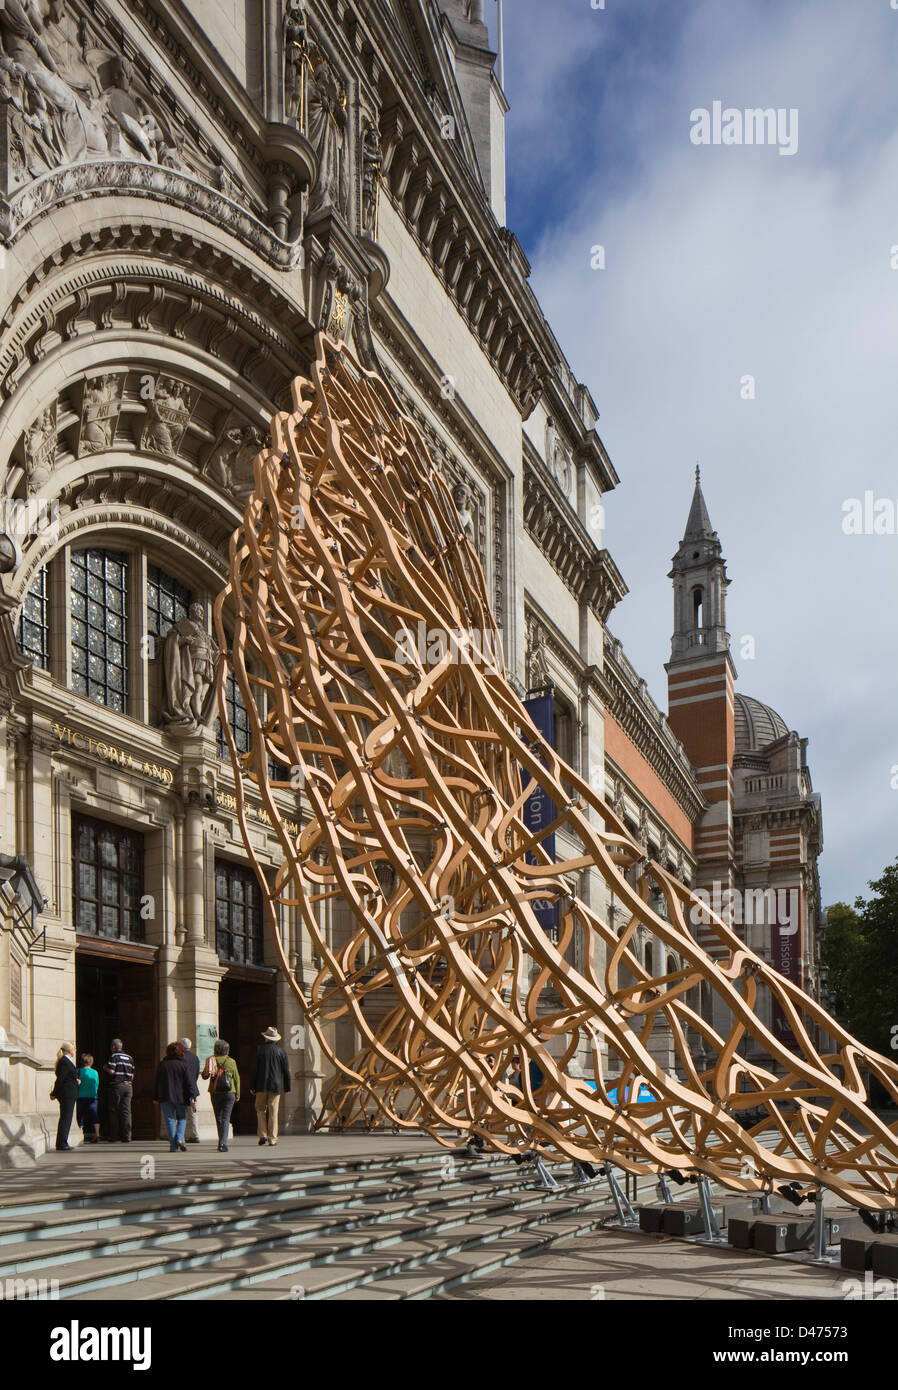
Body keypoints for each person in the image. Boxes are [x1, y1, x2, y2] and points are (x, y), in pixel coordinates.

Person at [153, 1041, 199, 1153]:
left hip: (165, 1096)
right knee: (182, 1118)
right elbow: (190, 1082)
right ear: (181, 1052)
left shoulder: (162, 1064)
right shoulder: (183, 1064)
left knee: (169, 1120)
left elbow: (157, 1082)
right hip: (180, 1097)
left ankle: (173, 1146)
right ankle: (179, 1138)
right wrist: (193, 1097)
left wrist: (155, 1097)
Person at [250, 1026, 292, 1147]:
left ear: (266, 1038)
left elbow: (254, 1069)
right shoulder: (281, 1052)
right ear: (276, 1039)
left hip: (260, 1086)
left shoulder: (259, 1050)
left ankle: (262, 1135)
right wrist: (287, 1087)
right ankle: (272, 1138)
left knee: (260, 1110)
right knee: (274, 1112)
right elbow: (286, 1071)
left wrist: (252, 1086)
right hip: (276, 1086)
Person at [201, 1039, 240, 1152]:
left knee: (218, 1118)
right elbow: (237, 1078)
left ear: (215, 1049)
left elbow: (204, 1076)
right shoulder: (231, 1061)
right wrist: (238, 1093)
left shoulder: (211, 1060)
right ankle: (222, 1143)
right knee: (226, 1118)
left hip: (215, 1092)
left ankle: (221, 1141)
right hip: (229, 1092)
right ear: (227, 1050)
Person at [104, 1037, 135, 1142]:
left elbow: (112, 1071)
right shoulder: (130, 1058)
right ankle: (127, 1136)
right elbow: (132, 1074)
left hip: (117, 1086)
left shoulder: (114, 1056)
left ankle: (114, 1136)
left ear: (113, 1047)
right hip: (128, 1086)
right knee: (126, 1111)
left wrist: (105, 1068)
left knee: (114, 1110)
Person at [50, 1042, 79, 1151]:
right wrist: (54, 1093)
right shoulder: (64, 1062)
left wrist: (76, 1080)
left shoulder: (67, 1062)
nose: (75, 1050)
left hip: (69, 1093)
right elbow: (61, 1079)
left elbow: (67, 1077)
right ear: (69, 1050)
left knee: (66, 1118)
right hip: (67, 1094)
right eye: (74, 1048)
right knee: (66, 1119)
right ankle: (62, 1143)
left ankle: (62, 1141)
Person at [180, 1038, 201, 1143]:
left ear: (182, 1046)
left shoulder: (181, 1058)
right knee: (193, 1112)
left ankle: (181, 1135)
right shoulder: (195, 1058)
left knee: (181, 1113)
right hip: (193, 1087)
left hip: (182, 1088)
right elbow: (197, 1073)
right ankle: (195, 1134)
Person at [76, 1051, 100, 1144]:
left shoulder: (78, 1071)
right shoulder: (95, 1072)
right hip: (93, 1096)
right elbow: (97, 1084)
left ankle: (80, 1133)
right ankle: (97, 1133)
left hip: (81, 1096)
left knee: (80, 1115)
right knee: (94, 1115)